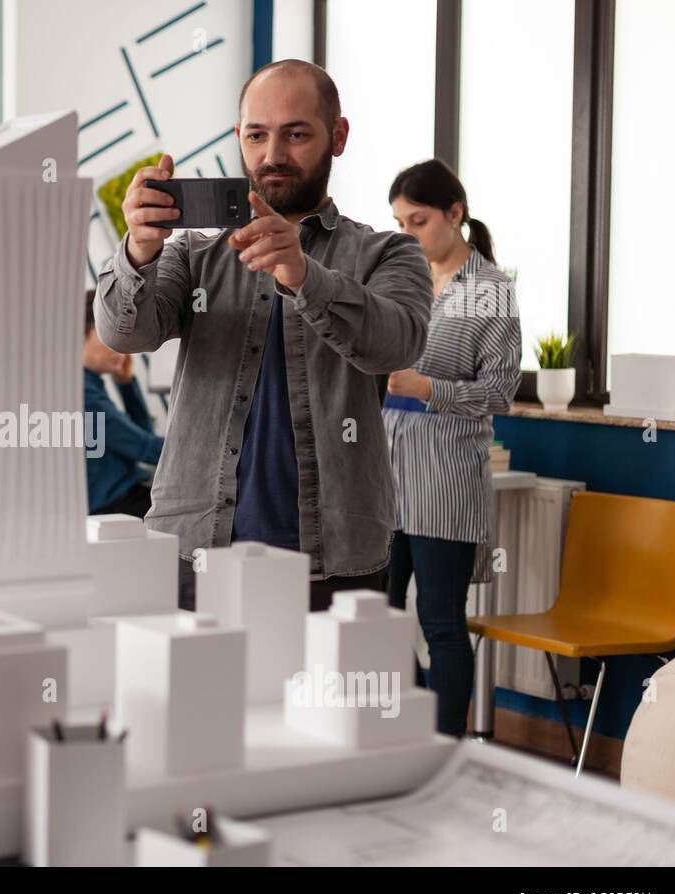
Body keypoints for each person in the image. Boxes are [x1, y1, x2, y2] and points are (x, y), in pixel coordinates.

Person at [94, 59, 432, 612]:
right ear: (240, 140)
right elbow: (122, 332)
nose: (273, 155)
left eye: (296, 134)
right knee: (194, 701)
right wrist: (138, 249)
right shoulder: (193, 254)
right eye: (257, 135)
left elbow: (397, 343)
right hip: (196, 550)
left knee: (327, 702)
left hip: (334, 559)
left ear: (338, 137)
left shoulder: (387, 253)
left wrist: (304, 275)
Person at [384, 159, 521, 737]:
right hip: (385, 472)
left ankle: (444, 751)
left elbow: (500, 390)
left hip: (444, 477)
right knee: (380, 619)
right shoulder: (400, 279)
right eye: (398, 222)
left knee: (440, 623)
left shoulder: (489, 291)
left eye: (417, 221)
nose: (407, 233)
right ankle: (406, 731)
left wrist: (427, 387)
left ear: (455, 214)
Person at [83, 289, 163, 518]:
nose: (120, 345)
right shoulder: (83, 392)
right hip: (113, 508)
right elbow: (144, 448)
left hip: (123, 500)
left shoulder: (90, 384)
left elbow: (142, 436)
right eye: (109, 333)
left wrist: (126, 384)